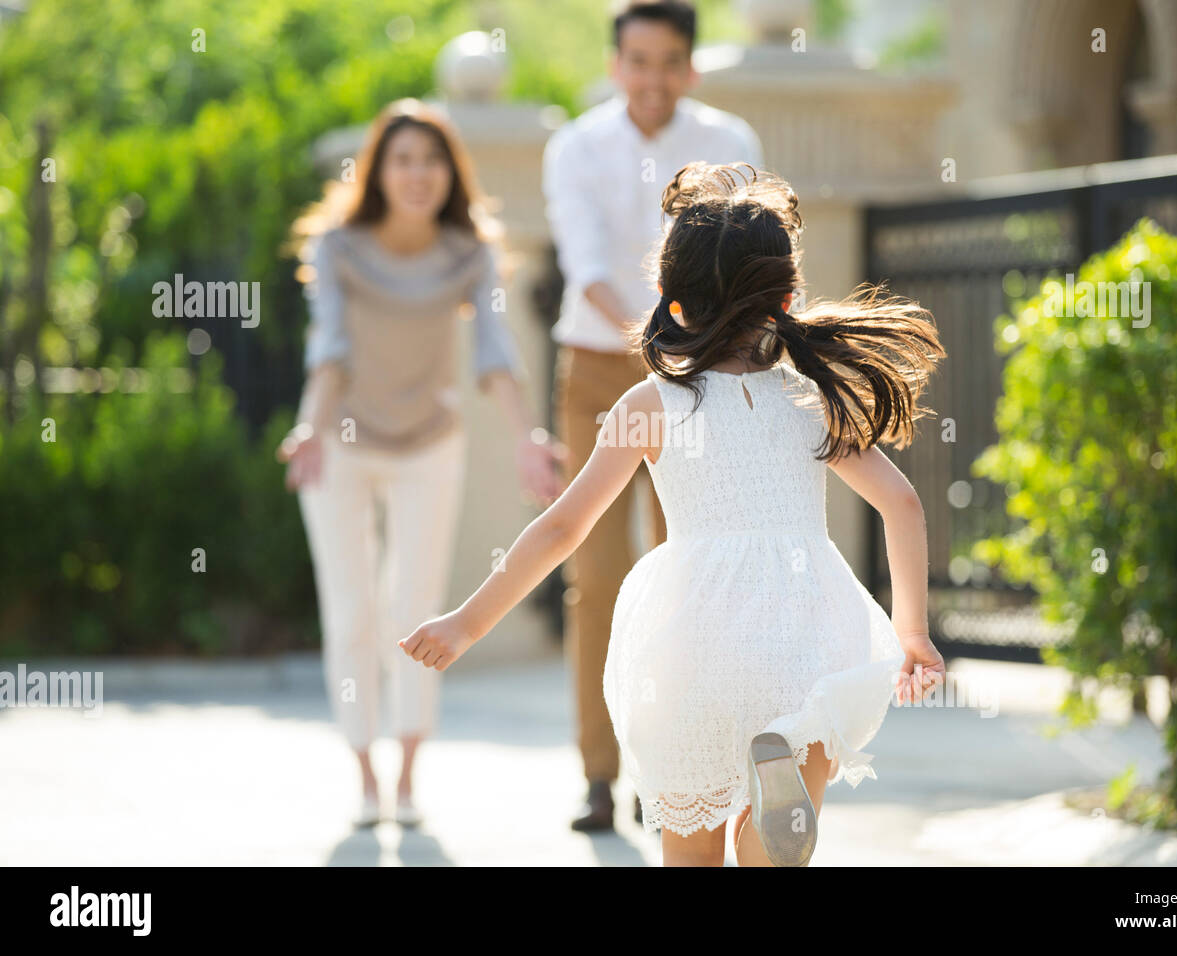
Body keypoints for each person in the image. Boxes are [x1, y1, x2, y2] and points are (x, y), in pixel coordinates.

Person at [400, 161, 948, 867]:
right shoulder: (808, 399)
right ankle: (769, 818)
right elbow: (900, 504)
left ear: (669, 298)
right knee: (783, 796)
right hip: (803, 628)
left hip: (693, 642)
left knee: (688, 851)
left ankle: (749, 820)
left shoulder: (651, 406)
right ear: (785, 298)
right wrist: (912, 635)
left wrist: (466, 623)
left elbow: (564, 526)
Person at [277, 98, 564, 829]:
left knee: (414, 604)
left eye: (432, 161)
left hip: (430, 442)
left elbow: (497, 351)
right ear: (379, 169)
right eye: (402, 159)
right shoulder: (339, 246)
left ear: (451, 173)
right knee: (351, 612)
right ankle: (364, 774)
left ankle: (407, 775)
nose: (417, 174)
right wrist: (309, 428)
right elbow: (329, 347)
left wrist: (529, 437)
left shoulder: (468, 253)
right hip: (341, 444)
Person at [541, 0, 763, 831]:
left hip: (704, 372)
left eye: (669, 62)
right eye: (638, 61)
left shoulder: (732, 141)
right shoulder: (576, 147)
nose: (653, 79)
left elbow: (751, 258)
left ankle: (674, 770)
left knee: (692, 575)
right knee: (596, 579)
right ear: (615, 64)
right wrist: (658, 342)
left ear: (690, 66)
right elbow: (588, 262)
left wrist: (696, 352)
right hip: (602, 369)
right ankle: (599, 774)